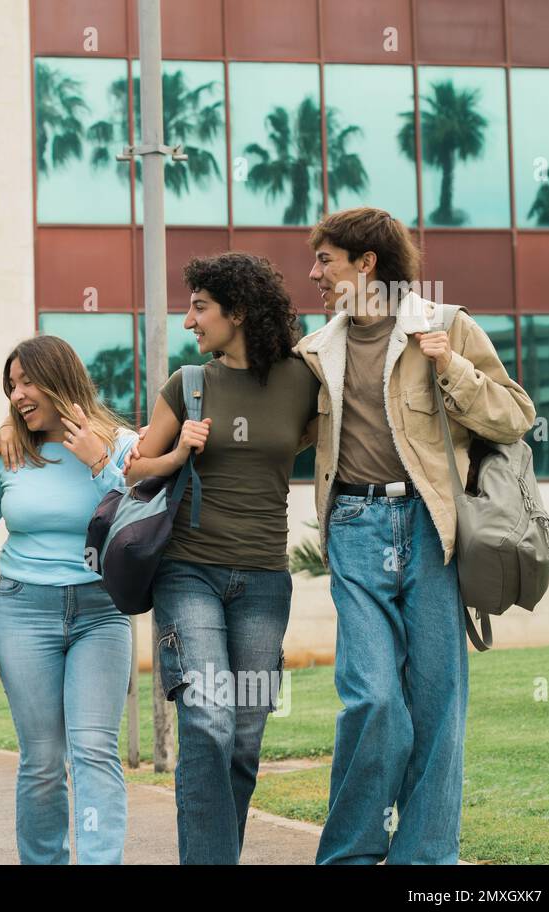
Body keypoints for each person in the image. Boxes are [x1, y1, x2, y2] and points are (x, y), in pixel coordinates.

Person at [298, 207, 535, 865]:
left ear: (366, 263)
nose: (314, 274)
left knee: (438, 703)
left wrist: (452, 366)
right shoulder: (317, 351)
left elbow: (515, 415)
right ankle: (349, 851)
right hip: (353, 524)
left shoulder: (446, 324)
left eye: (326, 260)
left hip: (433, 530)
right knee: (372, 696)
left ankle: (425, 858)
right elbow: (275, 430)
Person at [125, 253, 319, 864]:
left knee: (245, 735)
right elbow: (133, 472)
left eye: (200, 307)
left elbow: (317, 436)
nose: (189, 321)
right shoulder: (188, 384)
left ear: (237, 312)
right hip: (189, 571)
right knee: (208, 718)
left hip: (263, 577)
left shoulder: (302, 380)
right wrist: (180, 449)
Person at [0, 335, 138, 864]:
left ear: (60, 379)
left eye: (28, 381)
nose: (18, 394)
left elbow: (140, 522)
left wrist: (100, 463)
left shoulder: (121, 443)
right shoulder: (6, 451)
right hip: (23, 610)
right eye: (12, 385)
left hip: (101, 612)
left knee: (94, 749)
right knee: (43, 758)